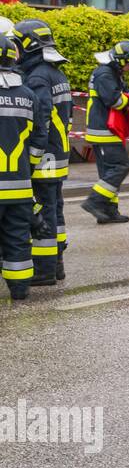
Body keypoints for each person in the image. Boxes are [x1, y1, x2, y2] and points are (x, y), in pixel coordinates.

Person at [13, 19, 72, 285]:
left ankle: (45, 269)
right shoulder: (55, 72)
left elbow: (42, 119)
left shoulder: (37, 76)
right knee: (55, 208)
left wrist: (32, 157)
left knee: (44, 210)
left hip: (45, 155)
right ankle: (57, 262)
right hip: (58, 153)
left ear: (27, 45)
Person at [80, 40, 129, 225]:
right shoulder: (104, 73)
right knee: (120, 167)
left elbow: (120, 91)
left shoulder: (111, 71)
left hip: (107, 128)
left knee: (108, 172)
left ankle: (109, 210)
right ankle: (95, 201)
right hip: (104, 129)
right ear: (121, 61)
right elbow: (115, 100)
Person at [0, 34, 36, 301]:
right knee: (18, 239)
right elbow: (37, 139)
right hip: (21, 186)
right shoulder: (27, 95)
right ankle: (20, 289)